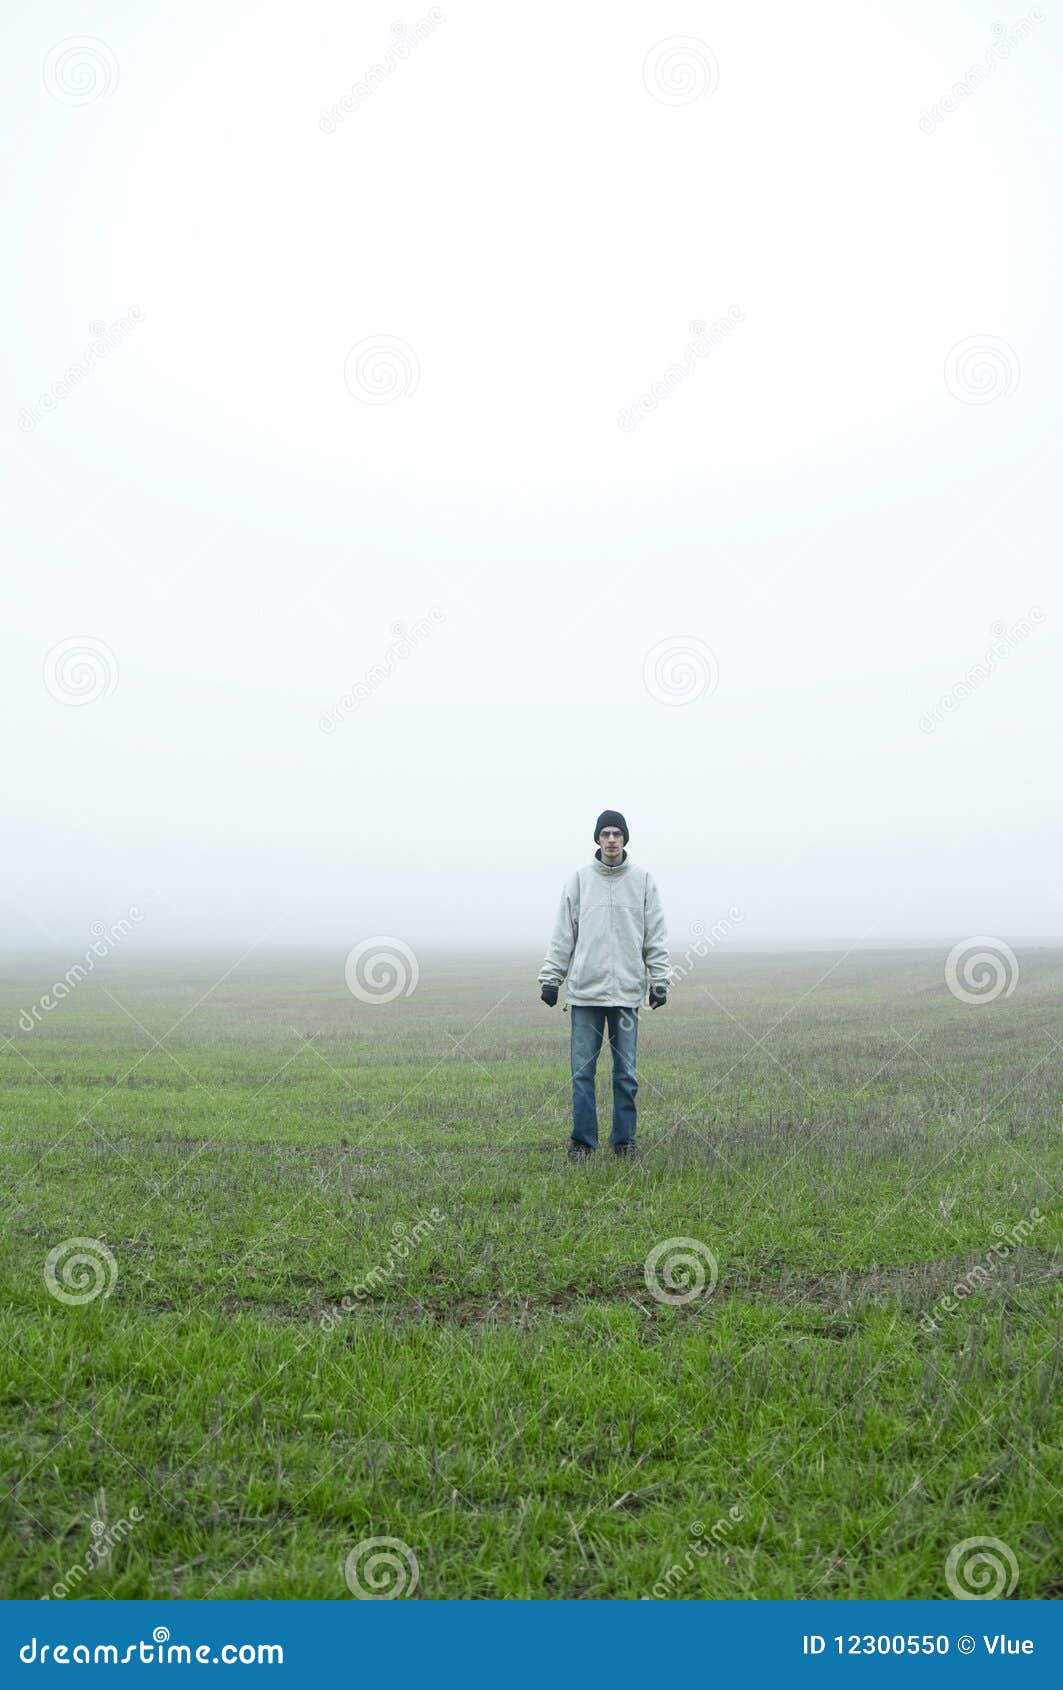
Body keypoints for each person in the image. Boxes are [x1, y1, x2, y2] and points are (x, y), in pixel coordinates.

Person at [537, 810, 671, 1159]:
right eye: (605, 833)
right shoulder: (580, 881)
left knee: (626, 1073)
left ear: (625, 838)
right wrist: (551, 978)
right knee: (582, 1073)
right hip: (586, 994)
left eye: (617, 833)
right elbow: (563, 933)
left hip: (627, 994)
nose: (611, 839)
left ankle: (624, 1141)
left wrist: (659, 979)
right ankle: (583, 1142)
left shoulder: (643, 881)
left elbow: (655, 934)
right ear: (597, 838)